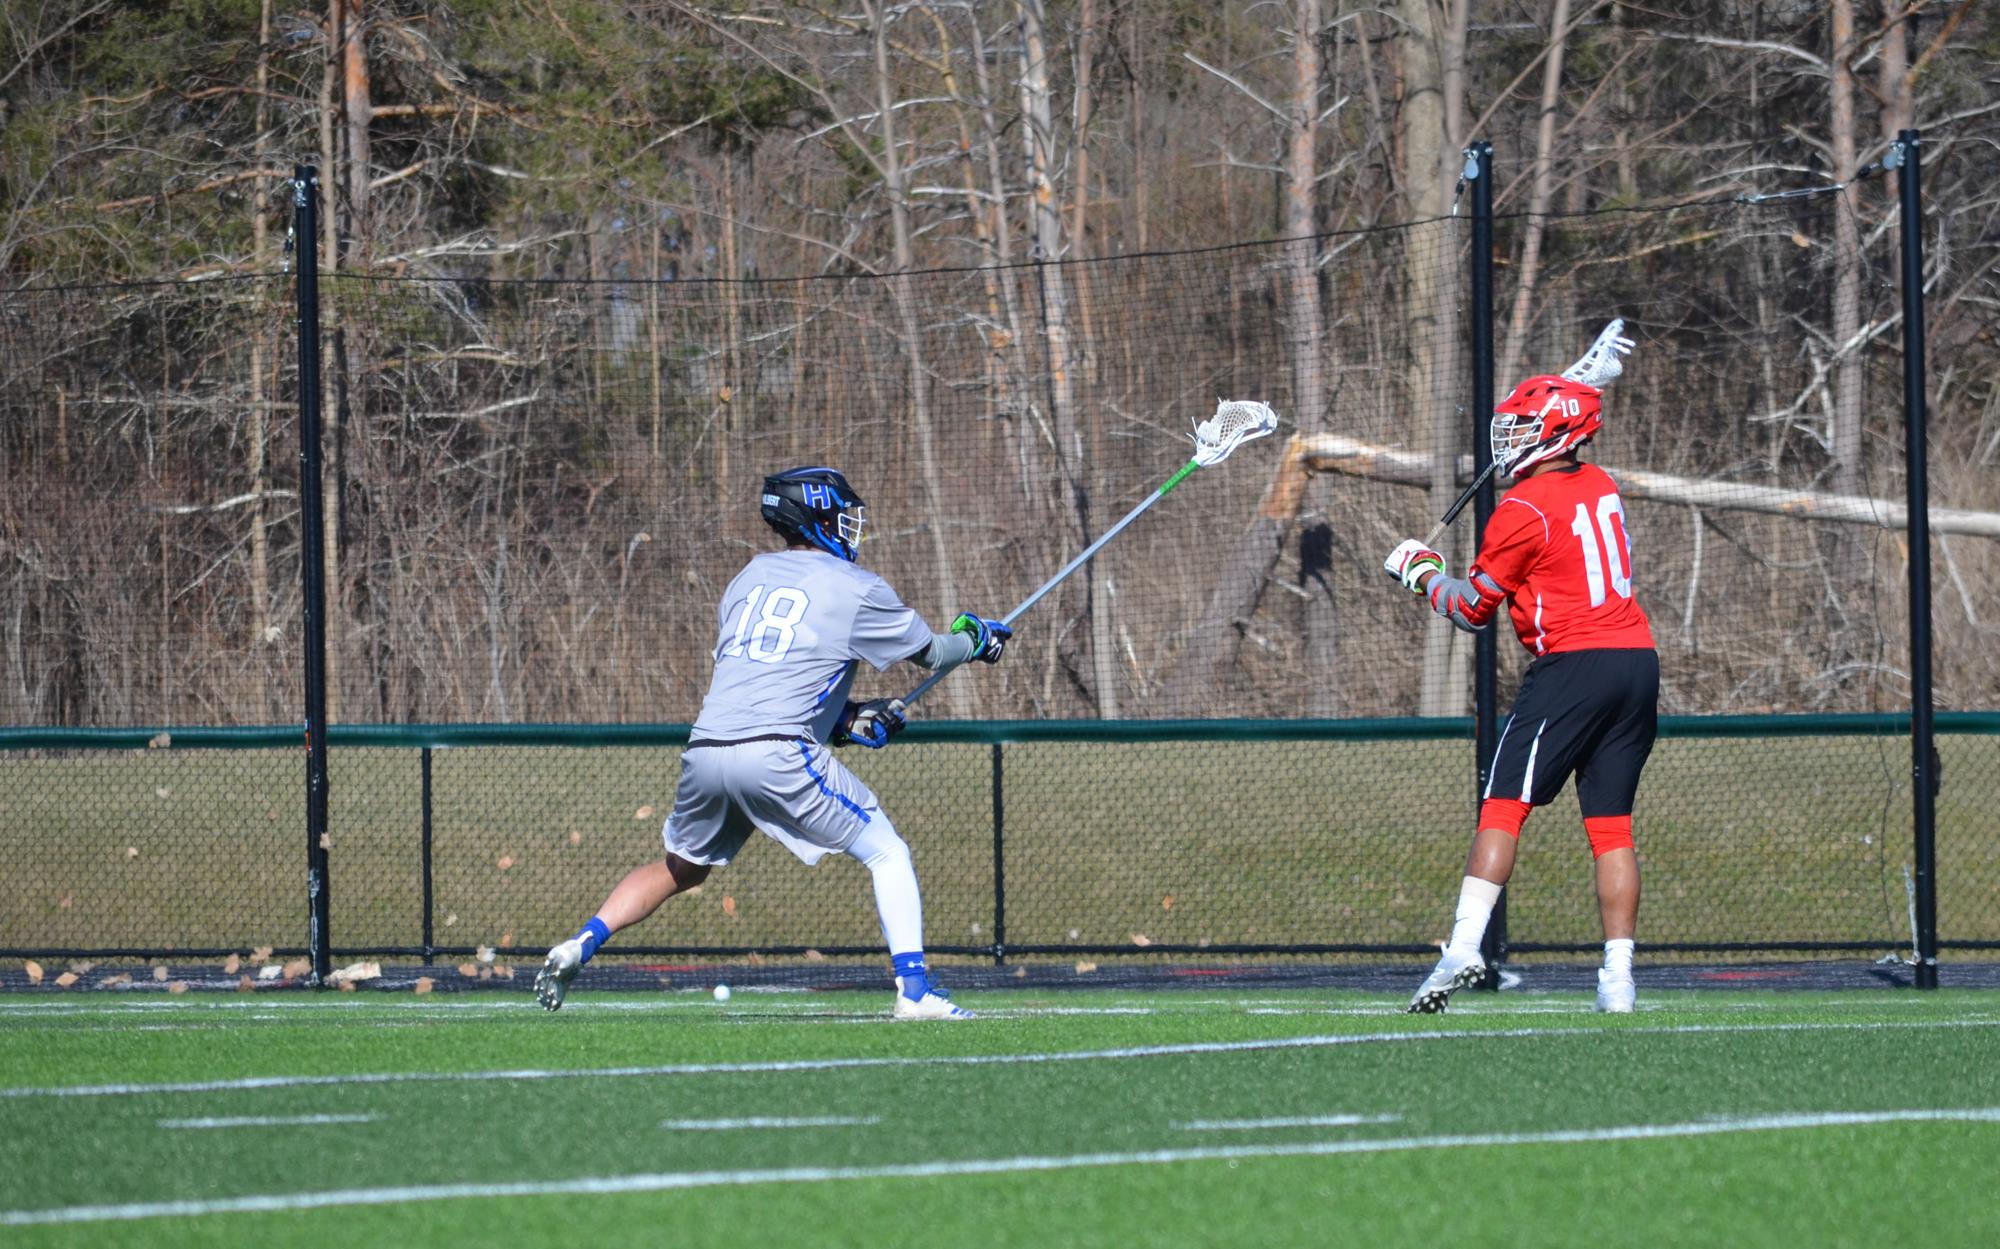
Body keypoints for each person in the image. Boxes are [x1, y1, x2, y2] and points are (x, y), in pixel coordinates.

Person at [535, 466, 1010, 1020]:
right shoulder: (855, 586)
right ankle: (915, 991)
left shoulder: (746, 580)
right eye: (842, 516)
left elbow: (770, 677)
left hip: (708, 749)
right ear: (820, 517)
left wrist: (846, 720)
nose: (851, 529)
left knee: (679, 869)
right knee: (886, 851)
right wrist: (976, 638)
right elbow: (932, 652)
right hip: (777, 753)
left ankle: (582, 943)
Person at [1383, 372, 1657, 1014]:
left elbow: (1473, 609)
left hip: (1574, 665)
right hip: (1638, 661)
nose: (1509, 442)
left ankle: (1462, 947)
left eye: (1523, 430)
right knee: (1612, 827)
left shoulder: (1521, 510)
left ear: (1559, 431)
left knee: (1503, 806)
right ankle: (1618, 981)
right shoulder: (1601, 484)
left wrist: (1421, 575)